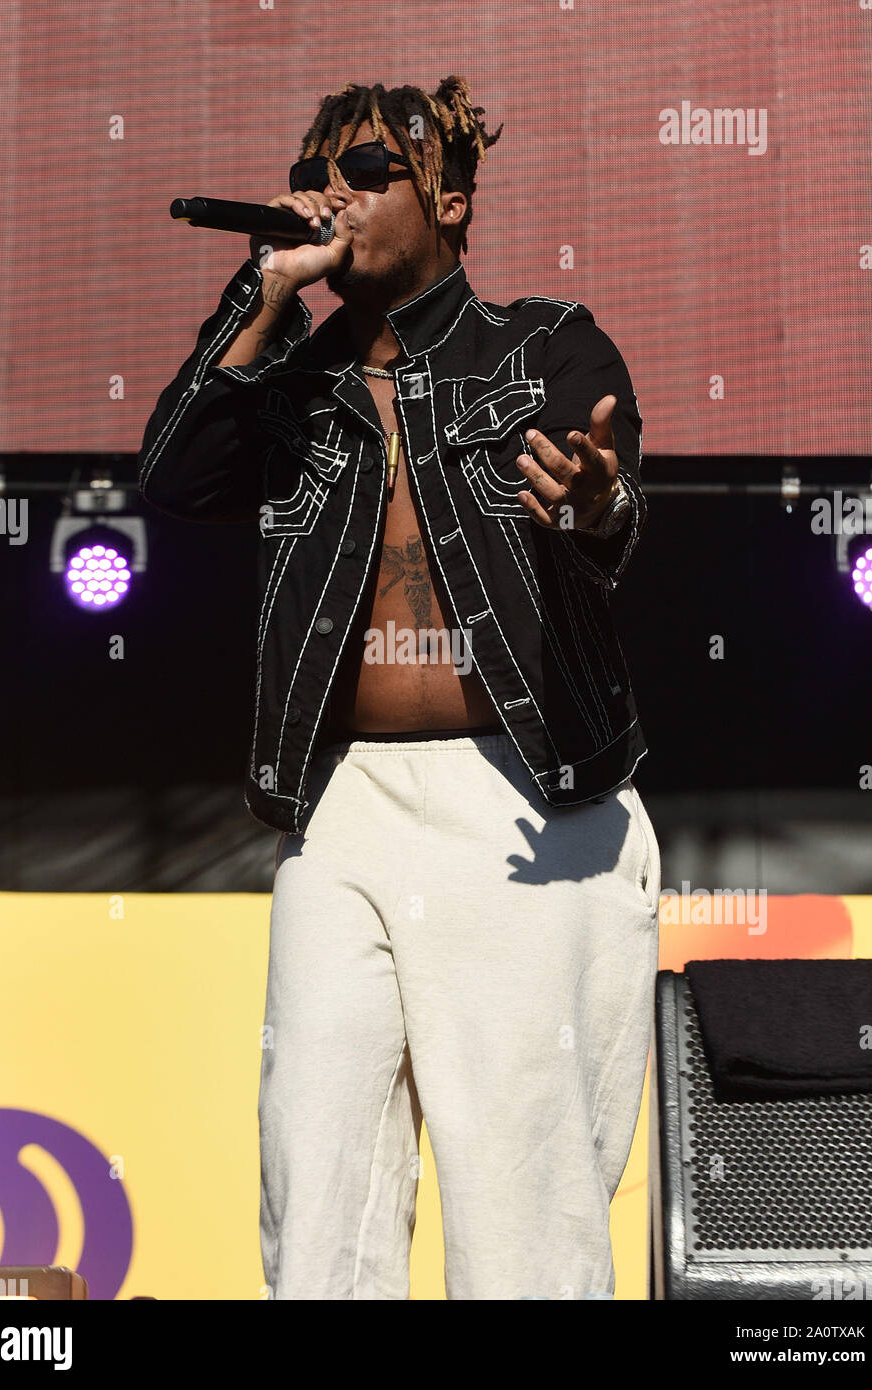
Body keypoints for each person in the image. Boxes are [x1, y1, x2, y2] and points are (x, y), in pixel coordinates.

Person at [138, 76, 661, 1300]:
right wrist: (260, 290)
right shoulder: (290, 385)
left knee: (521, 1191)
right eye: (321, 169)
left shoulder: (545, 341)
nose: (339, 190)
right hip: (345, 807)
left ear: (451, 198)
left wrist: (594, 505)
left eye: (369, 169)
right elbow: (171, 475)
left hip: (519, 794)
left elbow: (614, 503)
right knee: (314, 1175)